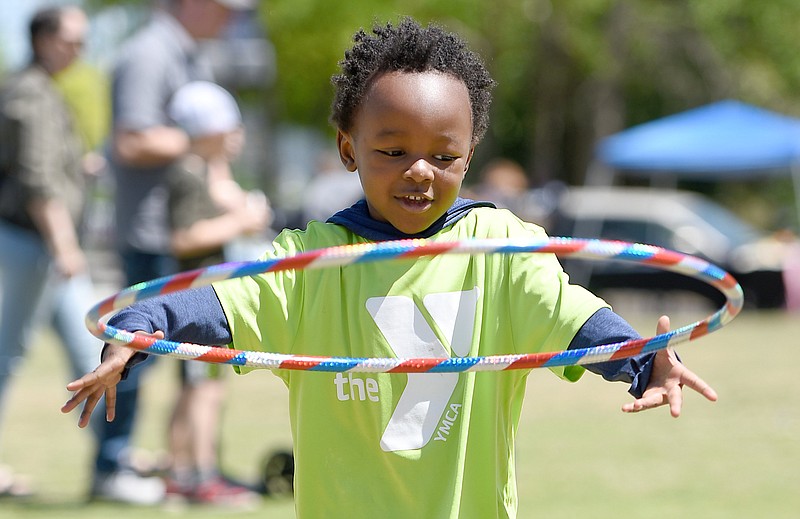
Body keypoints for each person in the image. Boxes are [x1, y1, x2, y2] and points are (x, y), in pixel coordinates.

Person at [64, 18, 718, 518]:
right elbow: (219, 307)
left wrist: (641, 359)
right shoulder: (310, 260)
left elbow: (569, 313)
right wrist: (141, 326)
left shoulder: (501, 249)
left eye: (444, 155)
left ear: (470, 154)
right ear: (349, 149)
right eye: (393, 149)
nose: (419, 171)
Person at [97, 0, 256, 504]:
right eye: (225, 9)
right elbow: (132, 140)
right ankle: (113, 466)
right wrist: (202, 140)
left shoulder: (188, 55)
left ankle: (184, 468)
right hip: (152, 234)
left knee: (191, 369)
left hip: (178, 233)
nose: (232, 19)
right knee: (133, 353)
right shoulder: (149, 53)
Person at [0, 5, 100, 498]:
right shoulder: (30, 94)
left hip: (47, 249)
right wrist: (65, 246)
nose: (80, 51)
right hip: (31, 245)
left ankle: (112, 457)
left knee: (91, 352)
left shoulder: (44, 90)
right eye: (72, 41)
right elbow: (38, 182)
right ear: (43, 40)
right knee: (6, 354)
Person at [162, 80, 269, 505]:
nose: (236, 136)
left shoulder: (203, 170)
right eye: (229, 127)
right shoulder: (187, 173)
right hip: (196, 298)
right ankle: (201, 477)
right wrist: (239, 224)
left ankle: (179, 471)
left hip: (204, 296)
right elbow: (184, 238)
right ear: (208, 128)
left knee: (196, 385)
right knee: (204, 387)